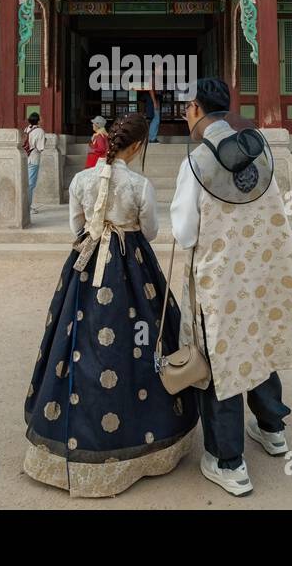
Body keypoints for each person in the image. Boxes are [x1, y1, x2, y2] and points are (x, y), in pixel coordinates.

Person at [23, 113, 199, 496]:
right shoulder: (140, 184)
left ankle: (70, 431)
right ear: (137, 146)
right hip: (132, 266)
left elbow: (76, 226)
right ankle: (145, 434)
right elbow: (150, 230)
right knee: (139, 339)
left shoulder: (81, 180)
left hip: (86, 265)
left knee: (75, 339)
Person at [170, 78, 292, 497]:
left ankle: (227, 461)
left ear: (198, 109)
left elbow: (184, 232)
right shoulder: (260, 154)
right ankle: (273, 429)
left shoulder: (196, 163)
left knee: (221, 359)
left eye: (187, 108)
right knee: (259, 342)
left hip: (219, 280)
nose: (186, 115)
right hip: (262, 274)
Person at [22, 112, 47, 218]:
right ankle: (28, 206)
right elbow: (40, 148)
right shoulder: (40, 131)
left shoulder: (27, 128)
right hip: (34, 159)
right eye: (41, 118)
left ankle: (25, 204)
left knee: (25, 183)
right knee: (31, 184)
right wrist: (45, 141)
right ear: (38, 120)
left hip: (25, 158)